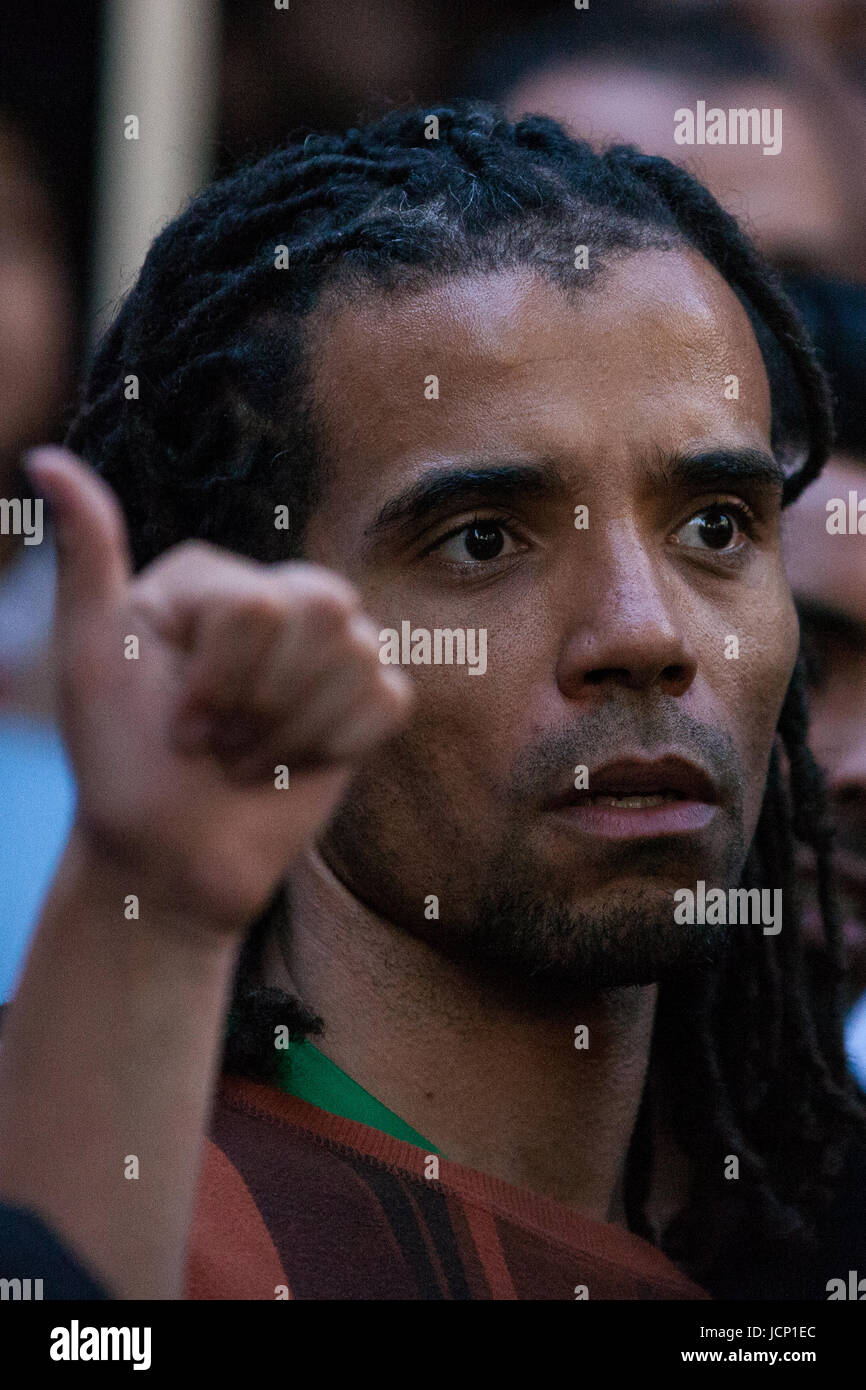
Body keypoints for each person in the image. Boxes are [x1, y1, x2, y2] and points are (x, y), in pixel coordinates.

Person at [1, 102, 862, 1300]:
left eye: (714, 527)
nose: (644, 632)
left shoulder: (802, 1233)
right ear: (238, 612)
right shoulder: (90, 1218)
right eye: (479, 541)